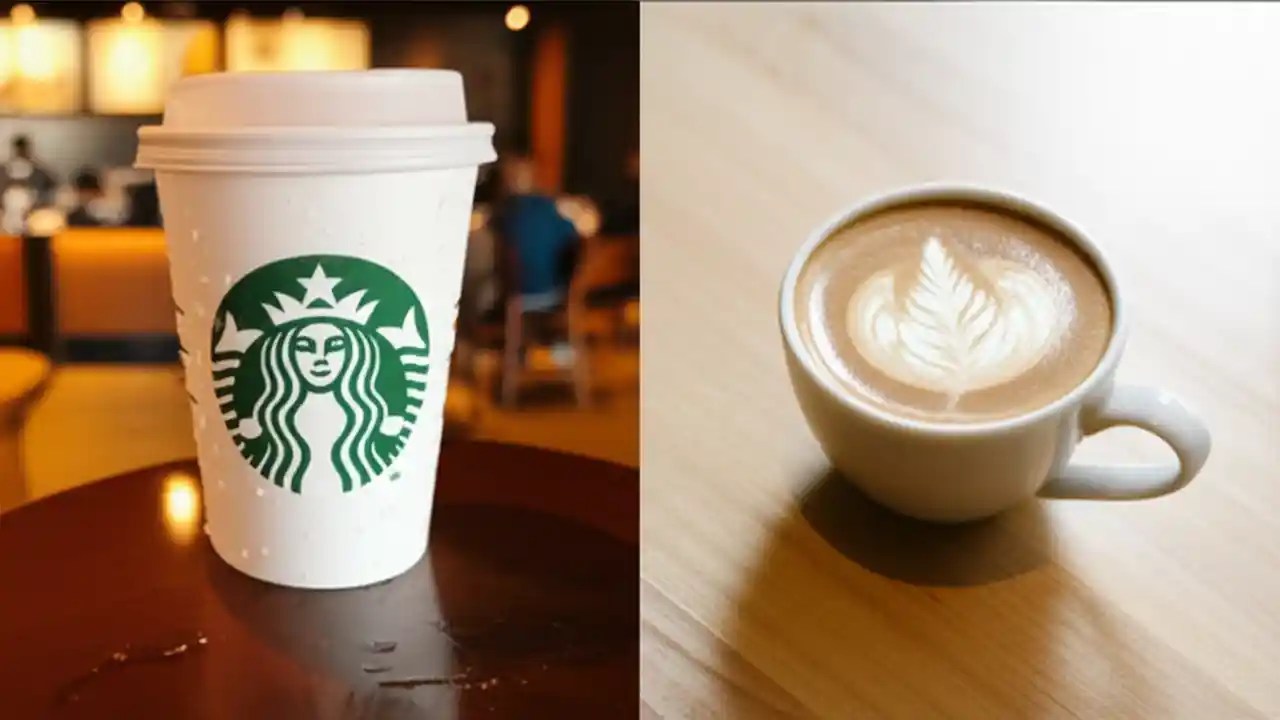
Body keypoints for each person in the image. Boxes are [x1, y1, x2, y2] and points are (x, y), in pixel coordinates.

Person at [493, 156, 581, 312]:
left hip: (516, 299)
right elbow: (572, 235)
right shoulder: (550, 208)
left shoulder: (504, 215)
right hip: (553, 294)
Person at [3, 135, 56, 205]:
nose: (21, 152)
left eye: (23, 149)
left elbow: (52, 183)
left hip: (33, 204)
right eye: (20, 149)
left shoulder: (37, 170)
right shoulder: (5, 168)